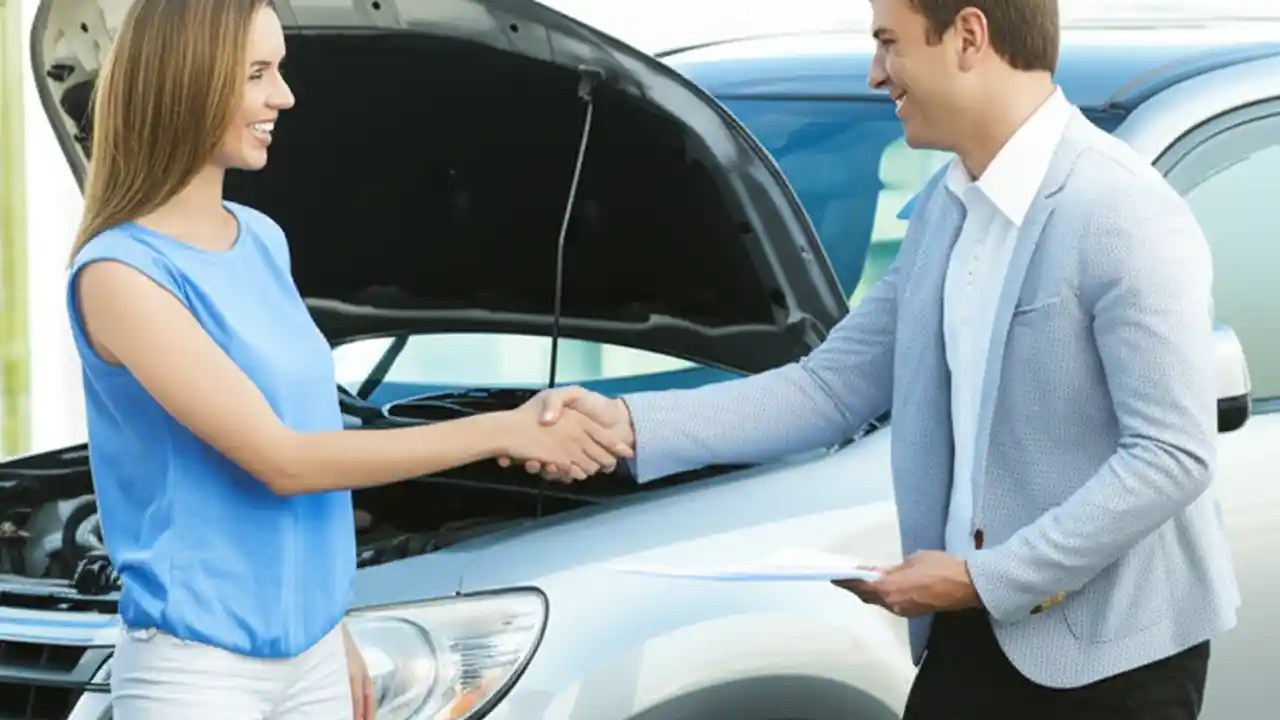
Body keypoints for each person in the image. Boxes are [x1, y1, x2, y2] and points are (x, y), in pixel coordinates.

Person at [513, 0, 1239, 717]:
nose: (876, 73)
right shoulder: (946, 209)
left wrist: (985, 579)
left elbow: (1171, 455)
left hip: (1106, 659)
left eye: (890, 43)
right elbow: (829, 389)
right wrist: (622, 424)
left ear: (969, 36)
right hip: (968, 626)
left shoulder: (1121, 210)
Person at [65, 1, 630, 718]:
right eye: (257, 73)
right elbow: (285, 461)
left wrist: (330, 622)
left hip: (314, 661)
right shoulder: (120, 275)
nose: (284, 96)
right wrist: (504, 429)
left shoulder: (261, 239)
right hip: (197, 675)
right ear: (187, 83)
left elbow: (312, 434)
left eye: (279, 70)